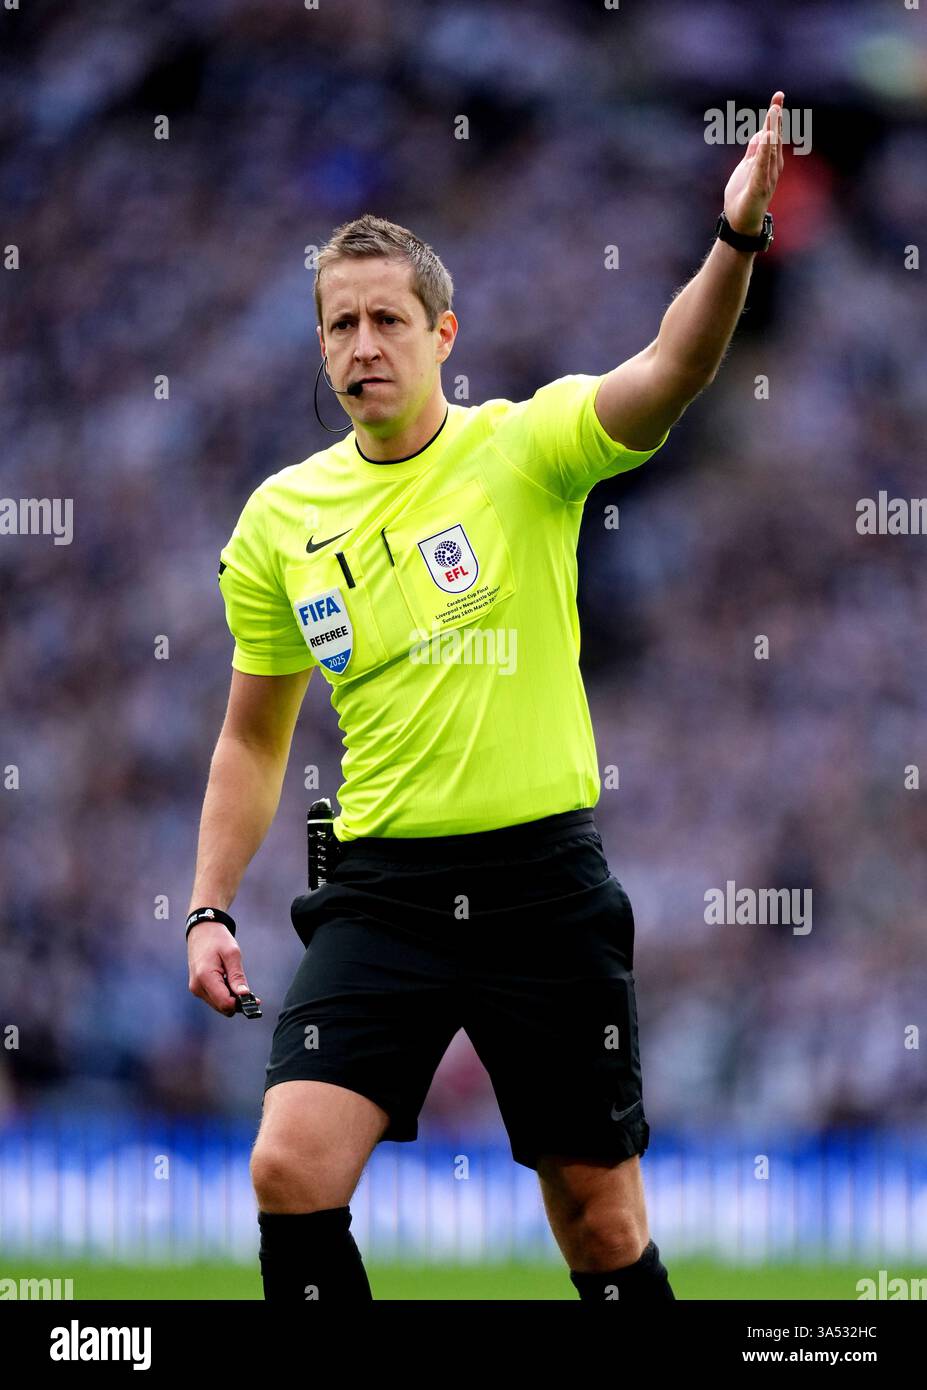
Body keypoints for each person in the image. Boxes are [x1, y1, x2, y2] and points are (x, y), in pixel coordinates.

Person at [186, 92, 784, 1302]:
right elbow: (253, 737)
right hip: (382, 889)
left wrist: (736, 241)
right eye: (341, 324)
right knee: (289, 1169)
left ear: (443, 332)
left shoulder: (527, 447)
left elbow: (672, 369)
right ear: (319, 345)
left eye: (389, 320)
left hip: (540, 889)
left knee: (602, 1227)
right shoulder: (279, 524)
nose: (365, 344)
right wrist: (206, 908)